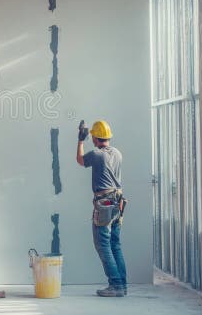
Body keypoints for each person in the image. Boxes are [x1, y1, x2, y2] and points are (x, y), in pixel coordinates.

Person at [76, 120, 127, 297]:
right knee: (115, 244)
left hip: (104, 202)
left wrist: (80, 140)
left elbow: (80, 160)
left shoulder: (97, 155)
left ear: (95, 138)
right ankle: (122, 285)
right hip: (117, 201)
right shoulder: (117, 153)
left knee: (103, 244)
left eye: (91, 137)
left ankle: (116, 285)